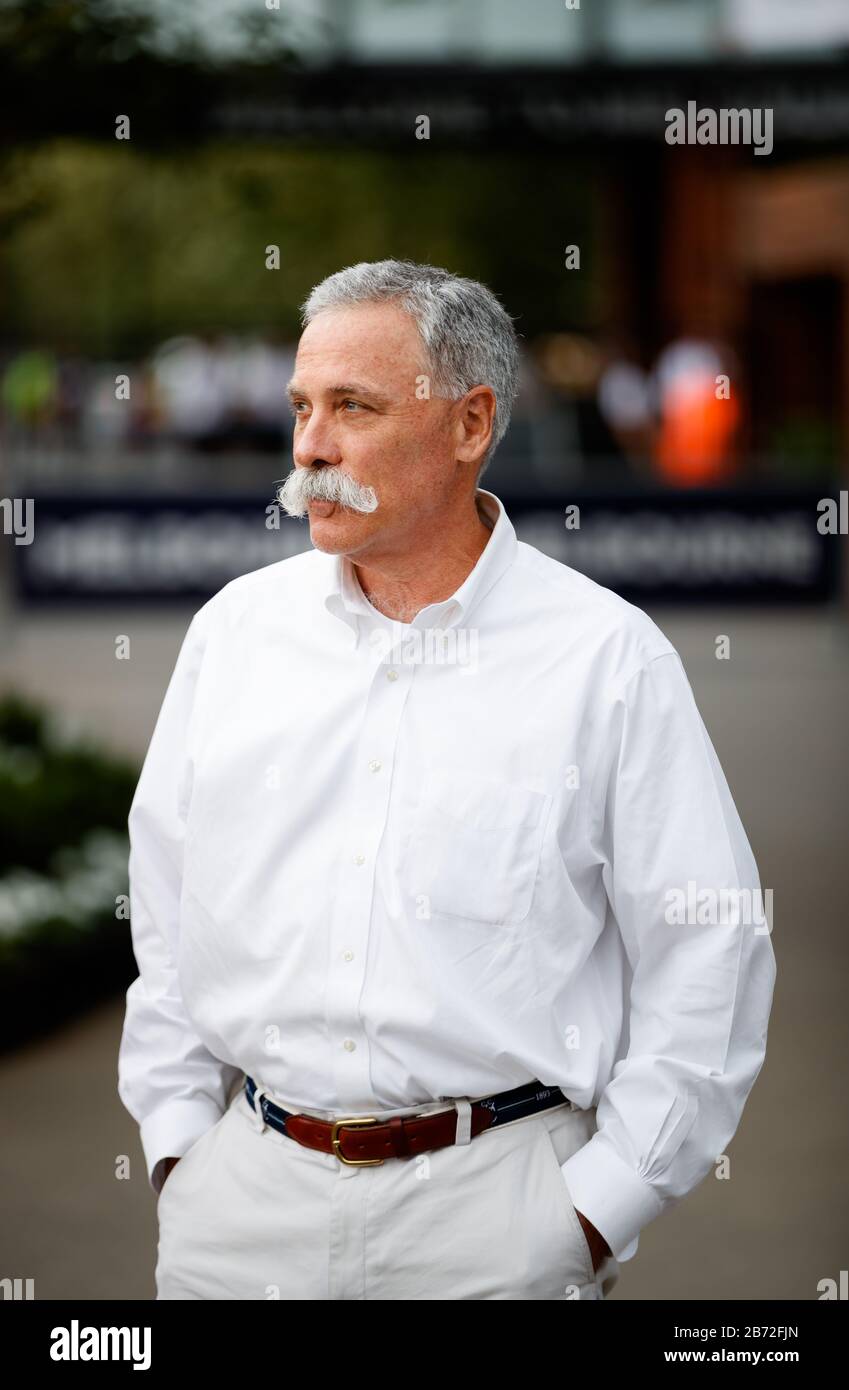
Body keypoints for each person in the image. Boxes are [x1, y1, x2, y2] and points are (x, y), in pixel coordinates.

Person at [117, 259, 776, 1301]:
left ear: (470, 424)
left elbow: (710, 947)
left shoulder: (606, 656)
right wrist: (176, 1148)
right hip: (239, 1213)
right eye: (302, 406)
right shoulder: (234, 635)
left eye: (353, 407)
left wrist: (593, 1211)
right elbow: (166, 909)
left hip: (499, 1222)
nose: (309, 447)